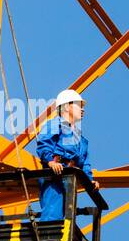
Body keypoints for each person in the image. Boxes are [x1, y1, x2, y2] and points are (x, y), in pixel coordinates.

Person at [34, 89, 92, 221]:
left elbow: (84, 161)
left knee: (66, 219)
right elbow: (44, 144)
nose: (82, 109)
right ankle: (48, 238)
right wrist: (50, 161)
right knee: (52, 214)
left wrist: (89, 180)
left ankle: (56, 238)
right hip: (54, 177)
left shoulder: (80, 138)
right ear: (66, 107)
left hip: (69, 180)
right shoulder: (55, 124)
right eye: (79, 105)